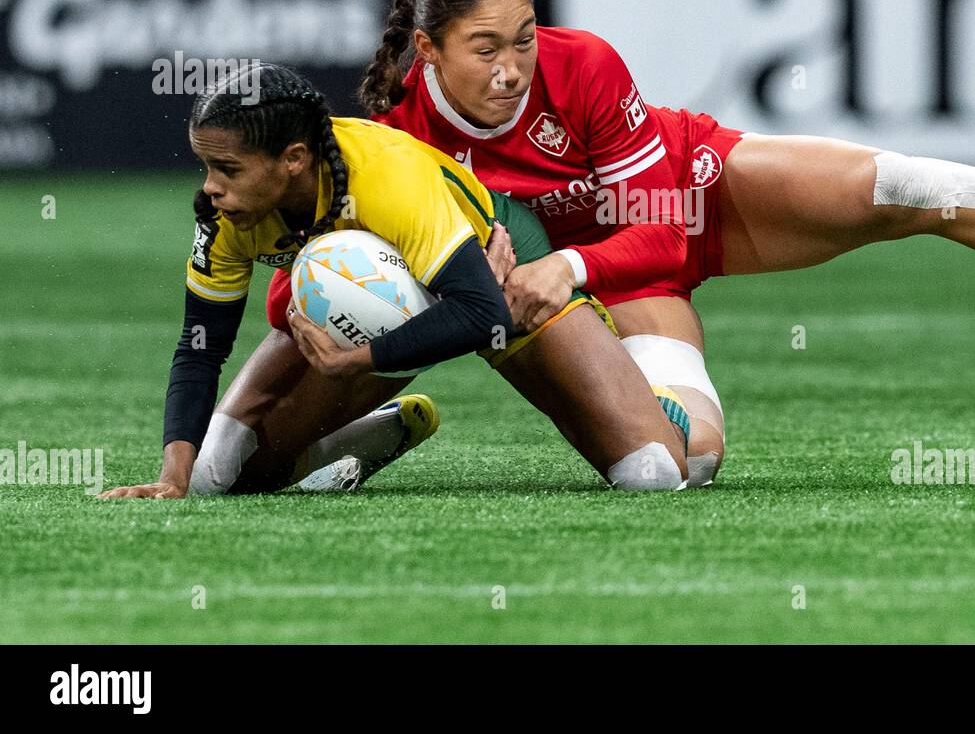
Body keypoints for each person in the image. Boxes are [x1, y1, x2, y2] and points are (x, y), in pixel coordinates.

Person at [340, 0, 975, 489]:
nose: (512, 69)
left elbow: (657, 232)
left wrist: (569, 266)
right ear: (428, 49)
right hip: (549, 311)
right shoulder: (395, 138)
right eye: (485, 48)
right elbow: (377, 282)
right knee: (691, 460)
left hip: (673, 220)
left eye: (525, 39)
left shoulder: (583, 66)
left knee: (906, 188)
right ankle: (354, 444)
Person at [99, 63, 697, 500]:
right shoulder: (229, 214)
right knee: (216, 475)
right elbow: (199, 348)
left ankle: (656, 403)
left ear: (294, 160)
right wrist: (171, 477)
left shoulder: (386, 177)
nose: (209, 187)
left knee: (656, 472)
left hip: (493, 273)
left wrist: (355, 362)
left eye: (226, 169)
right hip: (392, 304)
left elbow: (481, 313)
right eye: (205, 166)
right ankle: (368, 439)